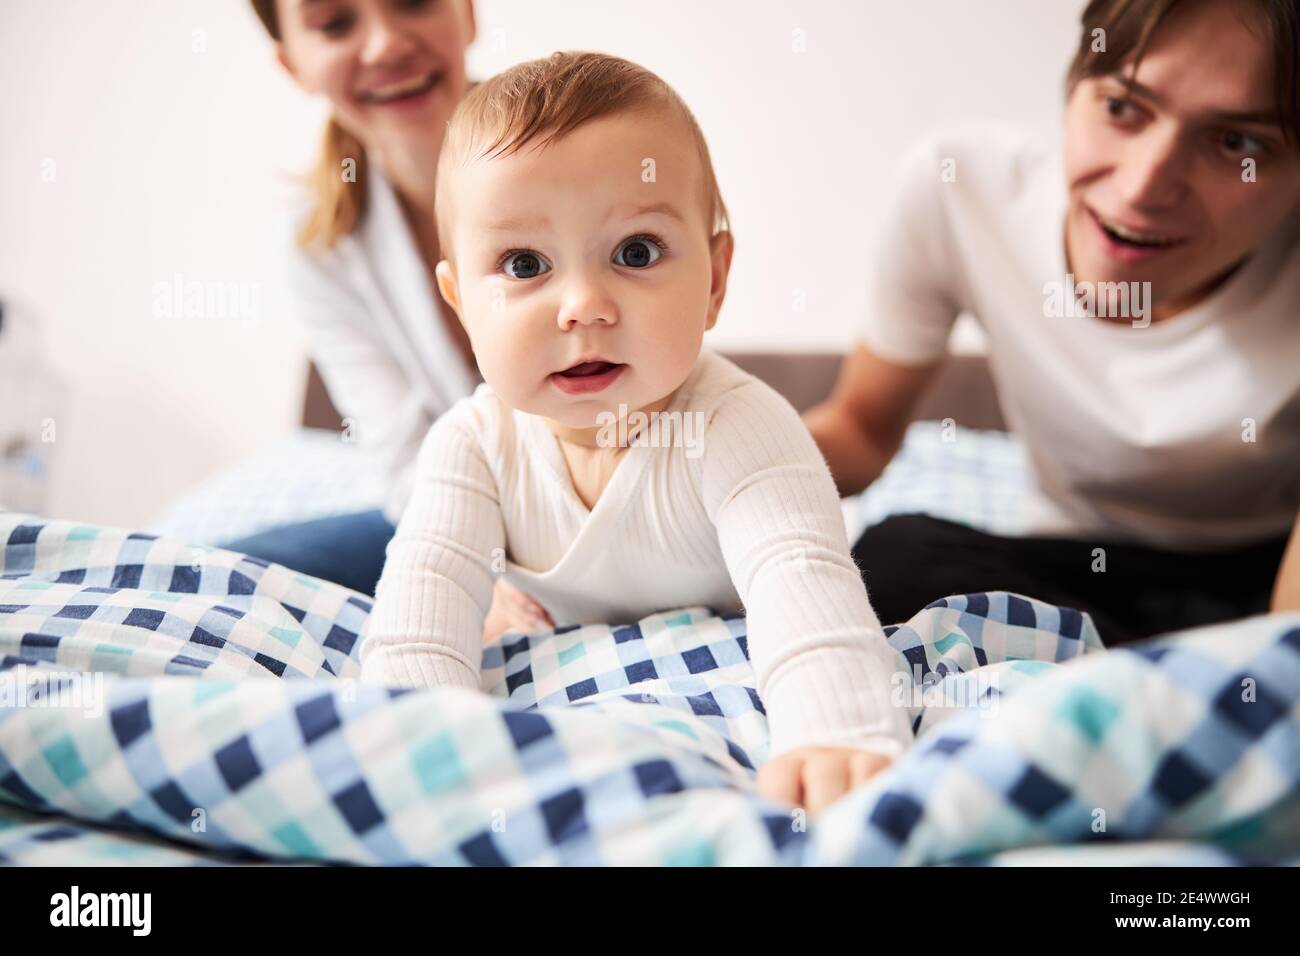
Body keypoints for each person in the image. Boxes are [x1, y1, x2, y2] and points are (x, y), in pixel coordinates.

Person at [358, 52, 914, 815]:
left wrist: (839, 732)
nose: (583, 306)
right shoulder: (473, 444)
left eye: (636, 252)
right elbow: (420, 617)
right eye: (524, 264)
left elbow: (800, 581)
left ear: (714, 281)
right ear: (459, 302)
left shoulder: (736, 427)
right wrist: (414, 749)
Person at [806, 0, 1300, 645]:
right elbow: (862, 429)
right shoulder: (961, 188)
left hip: (1271, 568)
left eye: (1237, 142)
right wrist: (687, 478)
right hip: (1074, 564)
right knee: (894, 559)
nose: (1144, 187)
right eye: (1123, 107)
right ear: (1074, 88)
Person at [235, 0, 553, 638]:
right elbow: (405, 457)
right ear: (292, 64)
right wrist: (472, 574)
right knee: (224, 568)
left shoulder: (571, 153)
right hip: (456, 511)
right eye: (334, 24)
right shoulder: (318, 243)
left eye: (411, 1)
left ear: (465, 12)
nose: (384, 45)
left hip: (601, 496)